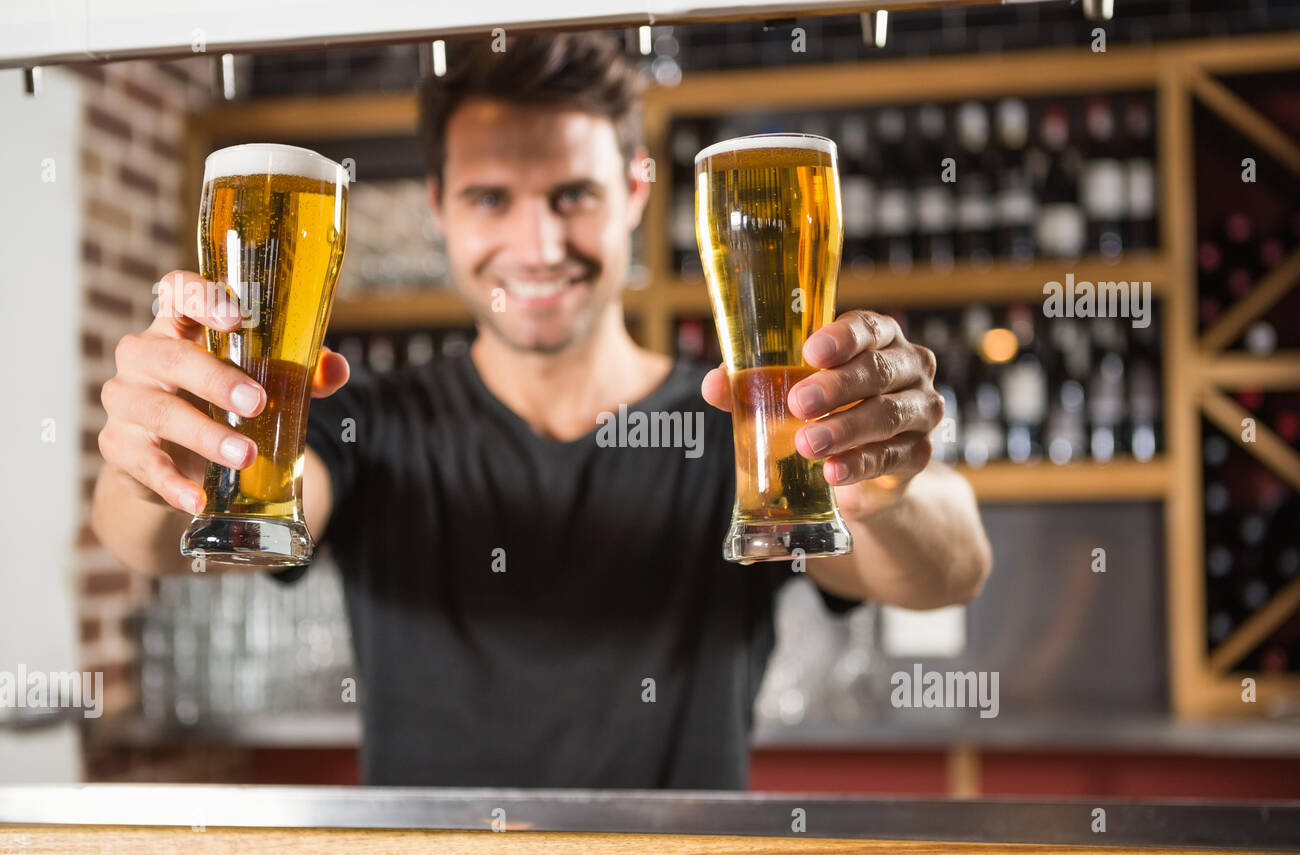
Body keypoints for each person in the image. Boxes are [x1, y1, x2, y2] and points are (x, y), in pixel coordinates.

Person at [91, 32, 992, 788]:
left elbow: (950, 568)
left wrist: (884, 480)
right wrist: (151, 457)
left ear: (634, 196)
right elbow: (160, 545)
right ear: (438, 207)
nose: (538, 245)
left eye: (574, 196)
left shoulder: (747, 426)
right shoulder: (369, 418)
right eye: (492, 199)